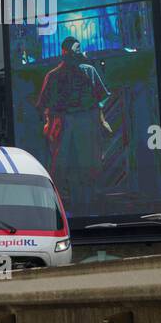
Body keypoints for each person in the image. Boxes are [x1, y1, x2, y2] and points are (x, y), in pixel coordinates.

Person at [35, 36, 113, 207]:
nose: (78, 52)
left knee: (87, 164)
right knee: (64, 165)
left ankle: (86, 201)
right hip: (64, 123)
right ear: (66, 52)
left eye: (78, 49)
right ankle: (67, 203)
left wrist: (95, 113)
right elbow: (42, 104)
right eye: (75, 49)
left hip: (83, 121)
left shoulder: (88, 71)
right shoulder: (54, 76)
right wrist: (50, 121)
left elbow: (102, 96)